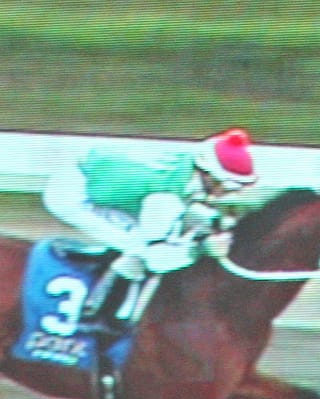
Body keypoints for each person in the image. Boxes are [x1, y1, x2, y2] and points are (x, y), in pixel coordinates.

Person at [41, 128, 259, 329]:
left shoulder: (186, 170)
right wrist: (202, 248)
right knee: (139, 248)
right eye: (230, 186)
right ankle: (97, 313)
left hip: (99, 178)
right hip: (72, 196)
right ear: (208, 174)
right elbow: (158, 260)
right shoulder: (165, 196)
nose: (233, 193)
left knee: (147, 240)